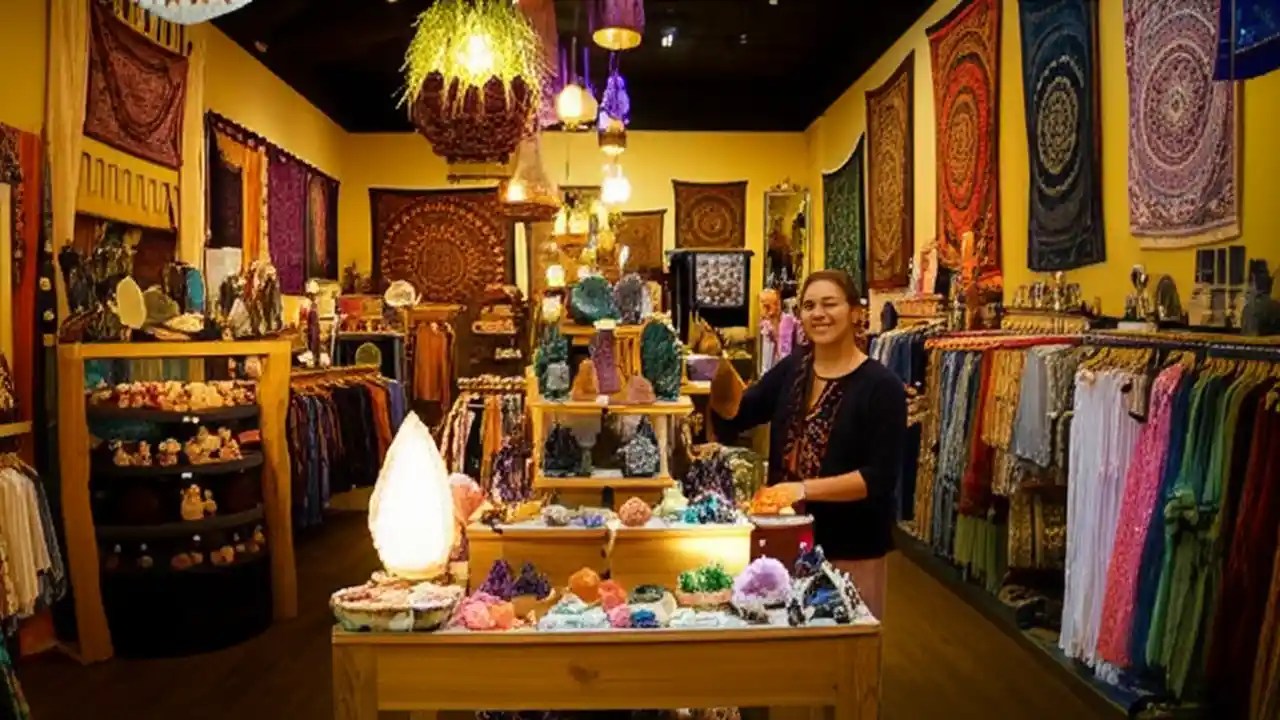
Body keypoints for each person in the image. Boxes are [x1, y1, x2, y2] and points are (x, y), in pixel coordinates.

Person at [711, 269, 906, 618]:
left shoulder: (882, 387)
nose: (818, 313)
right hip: (786, 538)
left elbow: (878, 478)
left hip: (852, 546)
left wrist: (802, 490)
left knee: (844, 650)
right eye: (809, 305)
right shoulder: (794, 369)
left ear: (856, 313)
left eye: (830, 304)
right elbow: (741, 413)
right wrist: (717, 377)